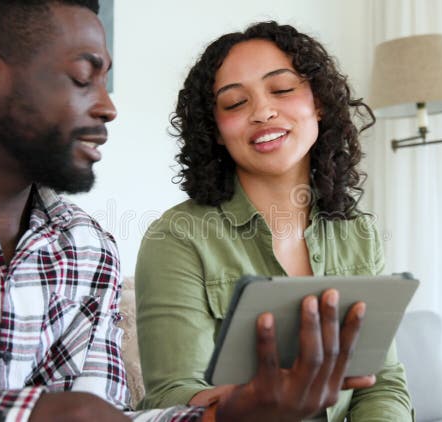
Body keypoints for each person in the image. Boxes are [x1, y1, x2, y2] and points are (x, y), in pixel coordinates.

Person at [0, 2, 369, 421]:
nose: (107, 105)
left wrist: (230, 415)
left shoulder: (85, 247)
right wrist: (36, 413)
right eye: (81, 76)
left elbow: (104, 416)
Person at [135, 21, 414, 421]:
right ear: (215, 130)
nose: (263, 111)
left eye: (282, 90)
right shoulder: (177, 237)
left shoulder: (358, 233)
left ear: (318, 101)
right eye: (234, 103)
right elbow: (173, 397)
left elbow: (382, 383)